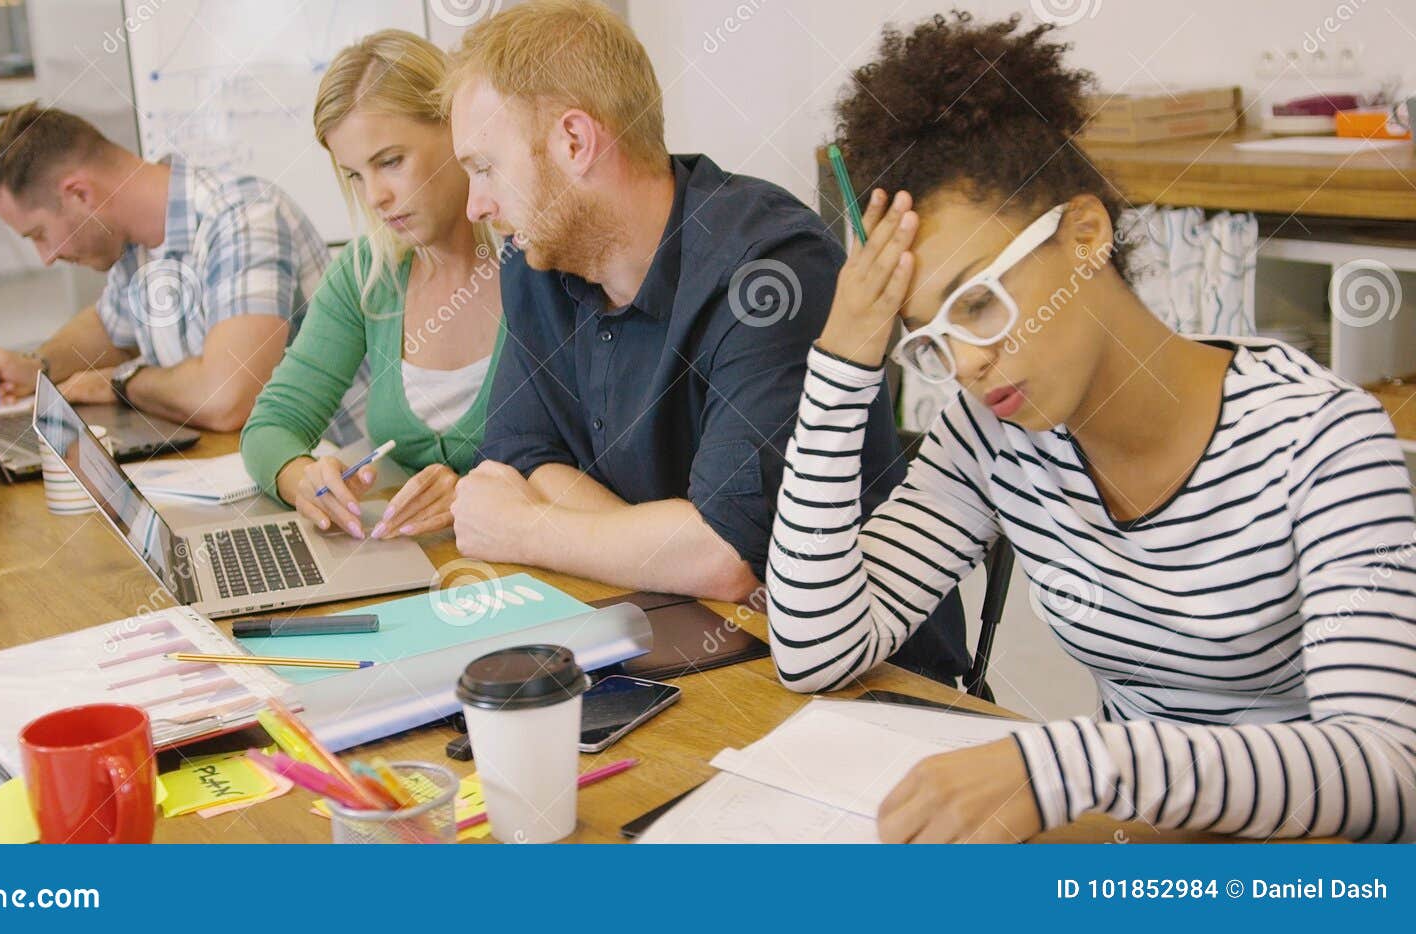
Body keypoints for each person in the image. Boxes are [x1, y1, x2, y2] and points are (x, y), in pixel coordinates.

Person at [766, 12, 1416, 842]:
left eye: (978, 303)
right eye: (929, 337)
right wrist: (843, 361)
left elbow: (1386, 773)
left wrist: (1073, 765)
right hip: (1131, 850)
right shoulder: (994, 435)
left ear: (1085, 234)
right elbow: (815, 648)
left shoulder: (1325, 442)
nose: (963, 363)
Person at [441, 0, 966, 684]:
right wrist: (662, 550)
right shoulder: (537, 261)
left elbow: (723, 553)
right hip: (666, 638)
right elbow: (521, 458)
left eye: (485, 167)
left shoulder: (771, 269)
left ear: (574, 142)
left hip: (866, 689)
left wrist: (525, 530)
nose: (476, 204)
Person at [240, 31, 505, 540]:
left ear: (456, 126)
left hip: (537, 575)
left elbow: (596, 452)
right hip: (416, 565)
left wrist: (477, 492)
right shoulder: (368, 274)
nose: (376, 197)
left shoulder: (534, 258)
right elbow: (271, 425)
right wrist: (304, 478)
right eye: (355, 176)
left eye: (390, 162)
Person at [0, 103, 328, 432]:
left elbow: (225, 401)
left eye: (40, 234)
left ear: (79, 193)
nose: (46, 257)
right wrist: (35, 367)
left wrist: (120, 383)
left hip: (334, 477)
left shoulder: (242, 216)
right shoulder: (131, 240)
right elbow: (109, 331)